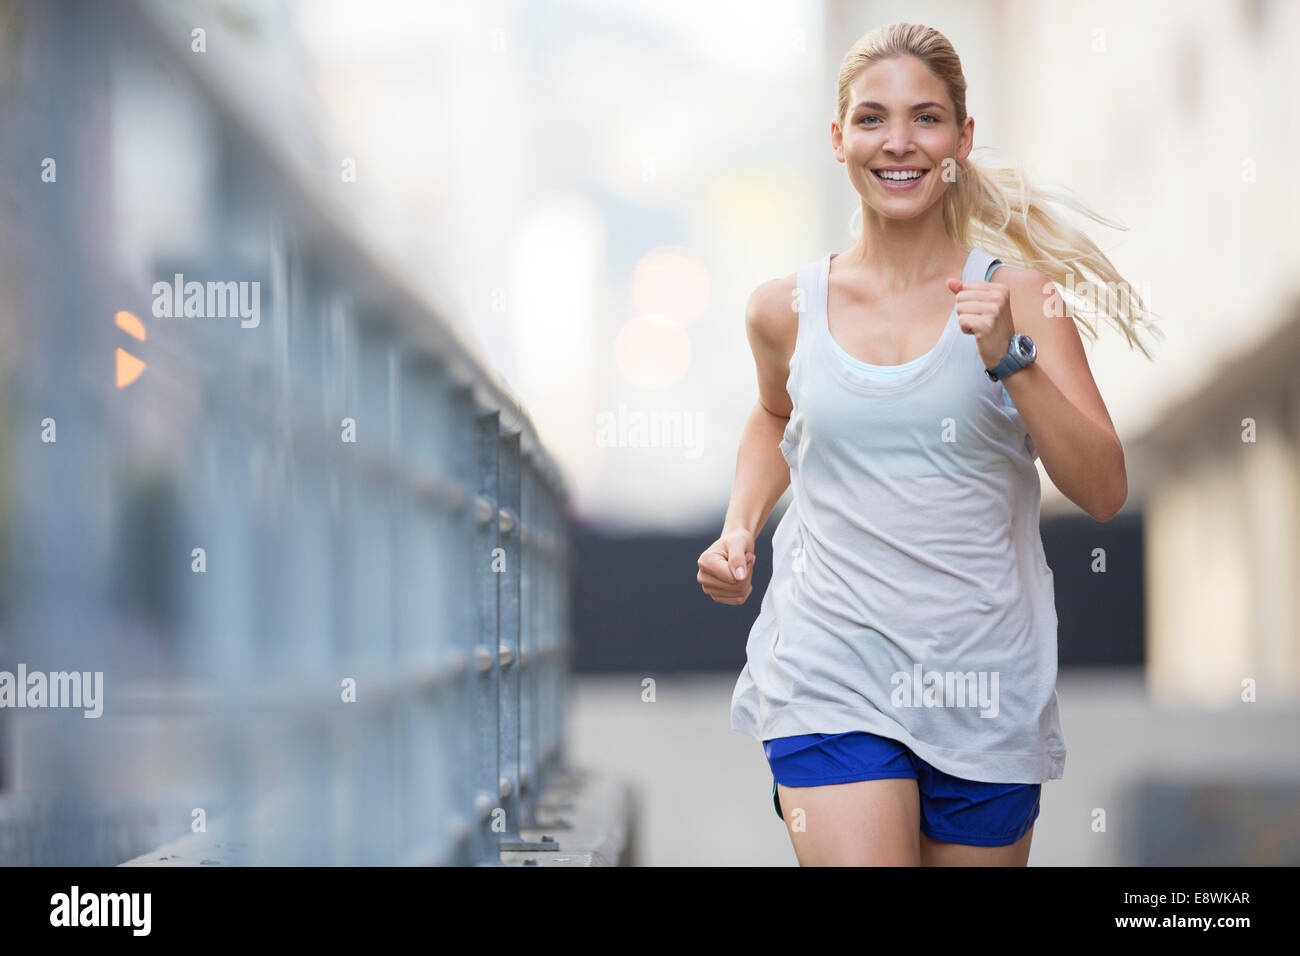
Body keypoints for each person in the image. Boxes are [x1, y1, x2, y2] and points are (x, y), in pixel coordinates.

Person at [697, 22, 1159, 866]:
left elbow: (1103, 490)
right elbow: (773, 417)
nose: (898, 143)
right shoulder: (783, 308)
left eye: (926, 118)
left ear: (962, 139)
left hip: (984, 683)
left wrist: (1010, 362)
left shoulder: (1024, 302)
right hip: (829, 673)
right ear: (839, 139)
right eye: (872, 119)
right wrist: (740, 527)